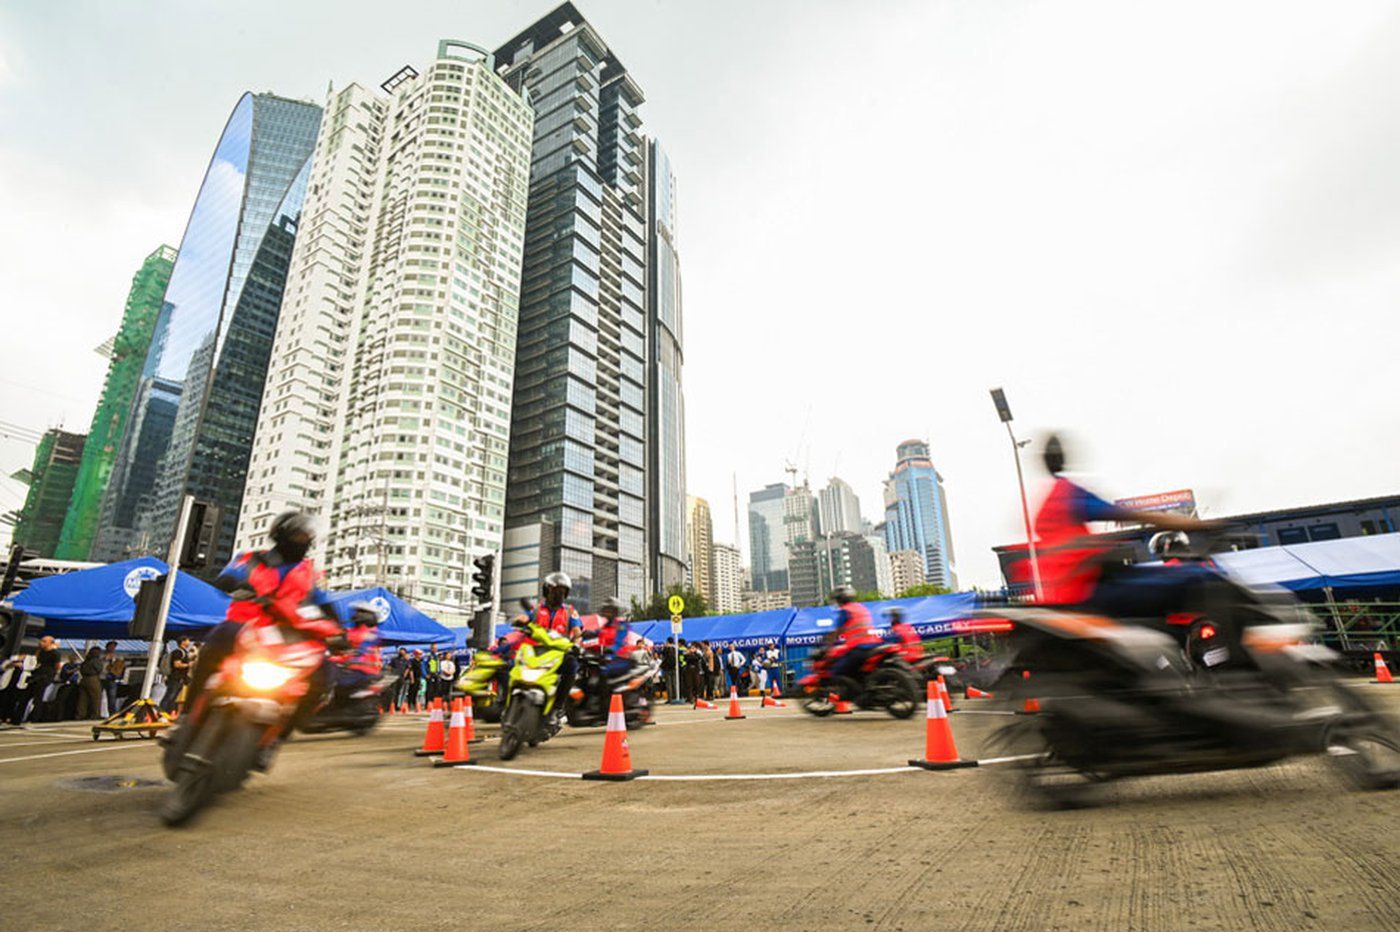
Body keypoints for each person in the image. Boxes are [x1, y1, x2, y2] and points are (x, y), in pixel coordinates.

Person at [179, 511, 341, 764]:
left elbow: (324, 604)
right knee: (214, 645)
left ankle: (277, 738)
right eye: (298, 535)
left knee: (324, 674)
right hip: (246, 626)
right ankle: (185, 717)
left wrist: (340, 632)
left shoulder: (308, 573)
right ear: (281, 535)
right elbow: (227, 578)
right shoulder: (252, 559)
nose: (303, 541)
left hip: (285, 638)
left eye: (307, 537)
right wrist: (238, 587)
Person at [532, 572, 581, 724]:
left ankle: (557, 707)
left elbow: (577, 631)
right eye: (554, 590)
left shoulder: (569, 611)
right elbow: (523, 620)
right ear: (547, 591)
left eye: (562, 591)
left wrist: (577, 643)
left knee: (572, 665)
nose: (558, 594)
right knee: (510, 665)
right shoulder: (536, 609)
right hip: (535, 654)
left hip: (558, 655)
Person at [822, 587, 882, 685]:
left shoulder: (845, 610)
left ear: (840, 600)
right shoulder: (861, 608)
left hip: (859, 648)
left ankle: (855, 696)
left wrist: (828, 645)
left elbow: (837, 632)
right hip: (875, 644)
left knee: (835, 672)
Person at [330, 602, 383, 699]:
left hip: (362, 672)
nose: (356, 615)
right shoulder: (353, 631)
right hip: (351, 670)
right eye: (357, 612)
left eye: (361, 612)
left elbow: (358, 646)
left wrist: (338, 657)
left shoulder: (371, 633)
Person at [160, 637, 193, 714]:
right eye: (188, 640)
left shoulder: (184, 652)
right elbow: (177, 664)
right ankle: (161, 713)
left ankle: (168, 713)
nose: (189, 642)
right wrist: (189, 665)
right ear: (183, 642)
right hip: (175, 678)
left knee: (173, 697)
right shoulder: (178, 652)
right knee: (169, 696)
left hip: (180, 679)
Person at [76, 646, 104, 719]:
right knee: (96, 698)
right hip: (93, 679)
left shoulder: (86, 660)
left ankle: (80, 714)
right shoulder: (96, 660)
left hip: (83, 679)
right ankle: (95, 715)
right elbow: (99, 669)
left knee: (83, 699)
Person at [100, 641, 123, 717]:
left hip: (112, 678)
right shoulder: (101, 655)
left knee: (112, 697)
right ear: (107, 647)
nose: (112, 648)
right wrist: (105, 658)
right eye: (111, 646)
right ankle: (98, 713)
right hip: (101, 678)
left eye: (114, 647)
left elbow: (120, 665)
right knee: (98, 696)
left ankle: (112, 714)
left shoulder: (117, 656)